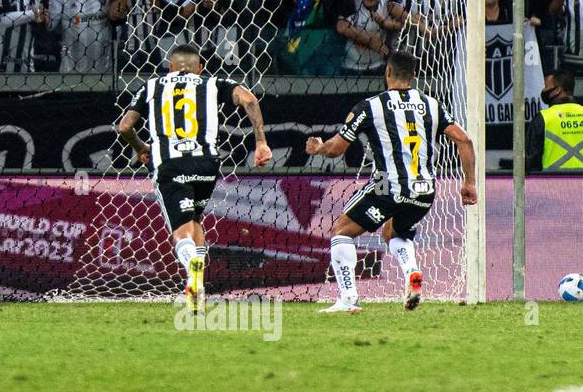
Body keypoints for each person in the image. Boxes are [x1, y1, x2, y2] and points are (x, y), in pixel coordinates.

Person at [305, 50, 478, 313]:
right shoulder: (431, 104)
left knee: (341, 232)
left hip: (388, 186)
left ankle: (348, 299)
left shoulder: (371, 106)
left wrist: (318, 148)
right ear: (414, 75)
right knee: (392, 232)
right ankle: (412, 273)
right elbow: (464, 140)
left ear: (387, 72)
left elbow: (336, 149)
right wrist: (469, 183)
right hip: (424, 190)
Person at [116, 43, 273, 312]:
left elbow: (124, 126)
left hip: (170, 163)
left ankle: (191, 266)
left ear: (170, 67)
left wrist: (140, 147)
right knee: (195, 221)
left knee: (180, 232)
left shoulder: (151, 86)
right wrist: (261, 142)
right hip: (206, 164)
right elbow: (249, 100)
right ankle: (196, 282)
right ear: (200, 68)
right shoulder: (213, 83)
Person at [528, 69, 583, 172]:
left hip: (553, 184)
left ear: (558, 90)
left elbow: (532, 161)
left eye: (546, 87)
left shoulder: (543, 118)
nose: (543, 91)